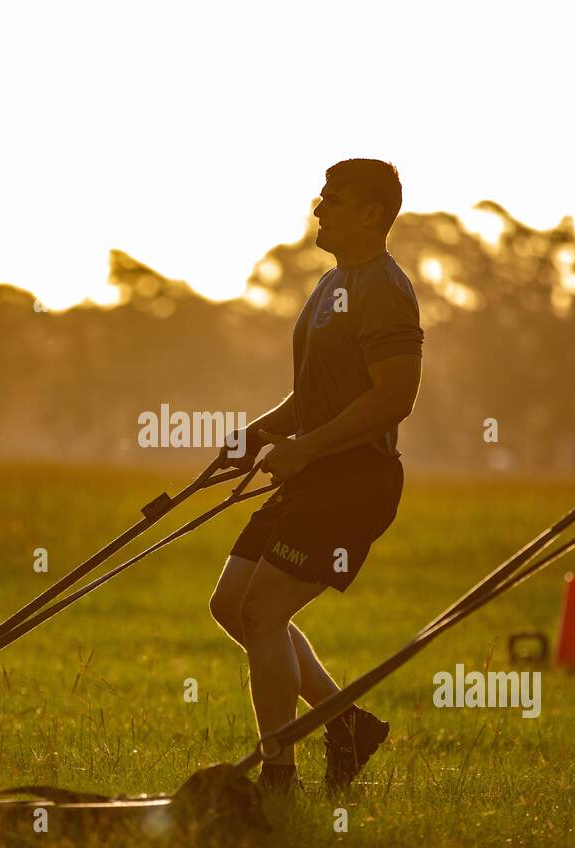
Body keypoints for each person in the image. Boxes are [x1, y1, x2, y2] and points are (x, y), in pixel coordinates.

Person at [209, 158, 423, 796]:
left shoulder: (385, 286)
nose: (318, 207)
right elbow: (314, 395)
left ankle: (278, 775)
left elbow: (394, 398)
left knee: (263, 608)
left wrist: (305, 449)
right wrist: (259, 433)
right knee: (232, 605)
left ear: (371, 214)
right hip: (310, 472)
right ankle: (347, 725)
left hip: (354, 479)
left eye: (333, 199)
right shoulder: (334, 284)